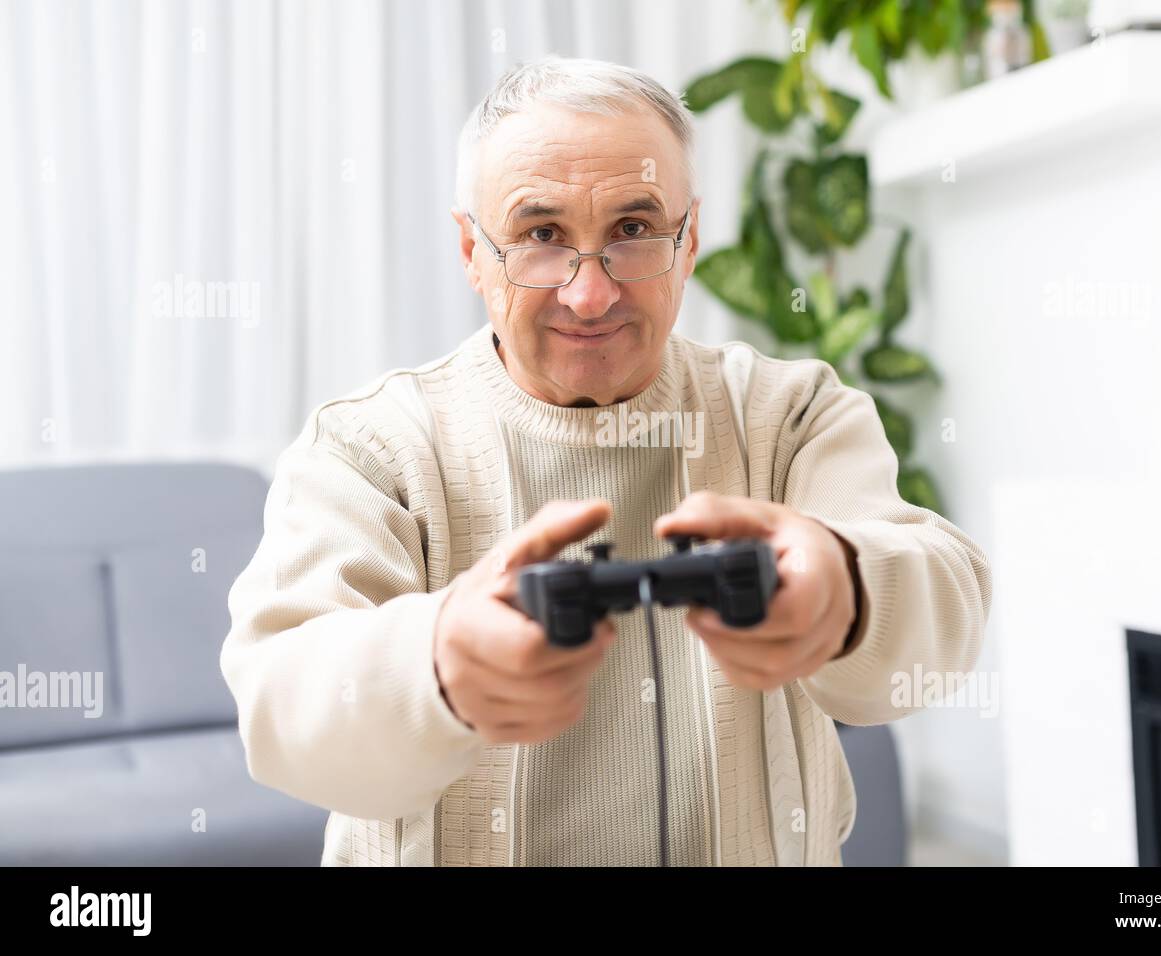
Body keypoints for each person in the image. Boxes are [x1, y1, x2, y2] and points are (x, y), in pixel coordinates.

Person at [220, 56, 992, 867]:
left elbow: (944, 609)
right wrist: (439, 662)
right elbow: (280, 707)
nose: (590, 295)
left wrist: (846, 587)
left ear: (689, 240)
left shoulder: (790, 416)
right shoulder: (368, 448)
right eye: (541, 236)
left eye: (632, 230)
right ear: (472, 252)